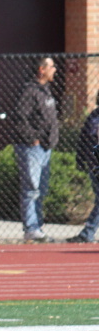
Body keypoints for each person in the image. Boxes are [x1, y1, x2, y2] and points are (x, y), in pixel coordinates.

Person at [13, 56, 59, 242]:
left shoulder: (45, 90)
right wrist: (33, 139)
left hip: (46, 148)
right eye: (51, 66)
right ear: (42, 69)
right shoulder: (30, 91)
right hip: (32, 148)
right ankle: (31, 229)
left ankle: (37, 227)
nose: (55, 69)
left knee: (41, 190)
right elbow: (20, 118)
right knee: (31, 190)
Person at [67, 90, 99, 243]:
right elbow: (85, 140)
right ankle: (88, 233)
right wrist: (80, 160)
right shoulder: (94, 118)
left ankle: (88, 232)